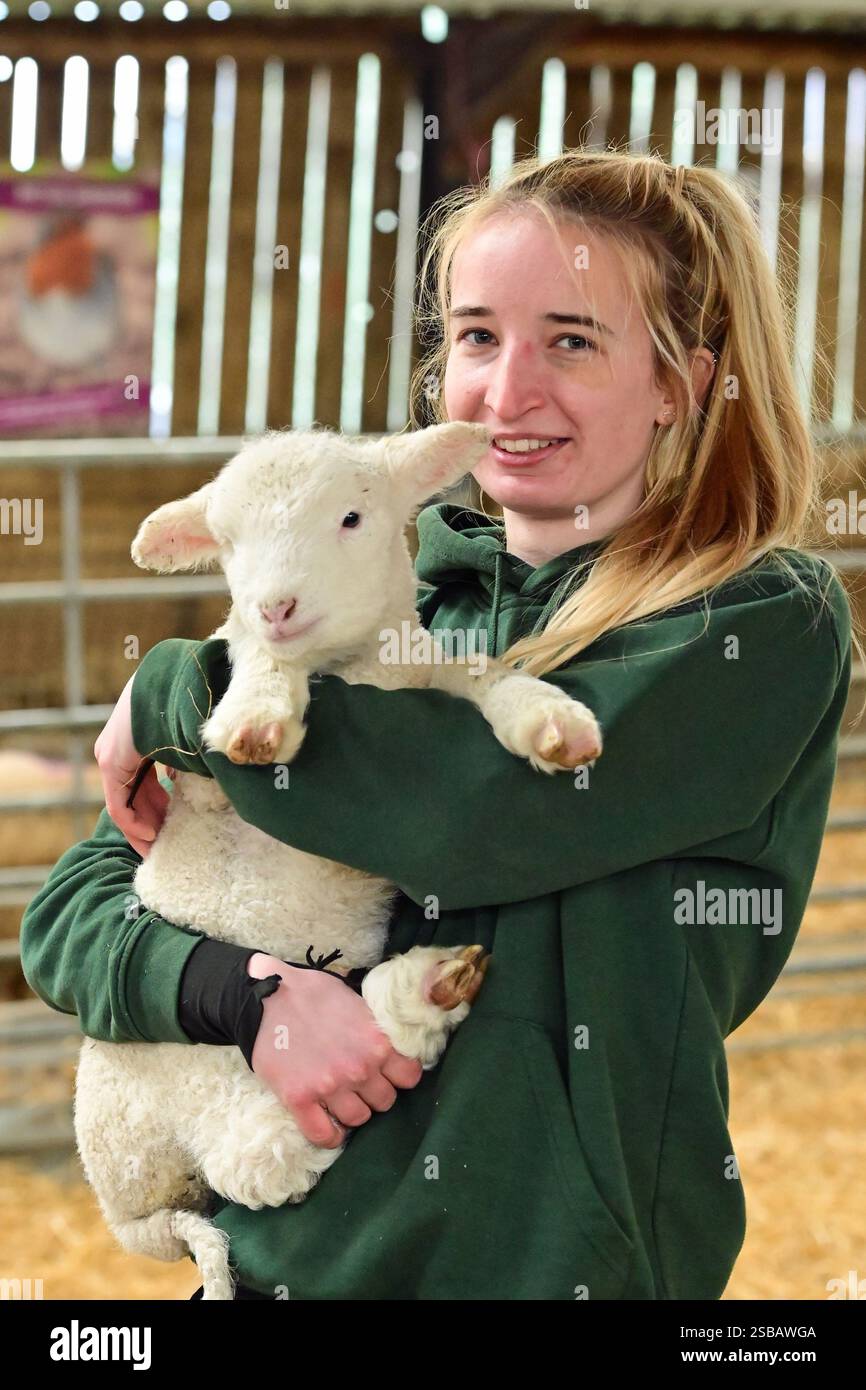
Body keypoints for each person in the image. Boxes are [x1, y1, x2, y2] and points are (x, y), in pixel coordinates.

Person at [20, 148, 857, 1301]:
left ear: (680, 380)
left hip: (547, 1269)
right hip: (276, 1264)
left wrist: (175, 690)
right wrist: (244, 993)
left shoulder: (748, 624)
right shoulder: (370, 600)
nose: (507, 391)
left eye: (570, 340)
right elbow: (70, 913)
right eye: (474, 336)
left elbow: (470, 805)